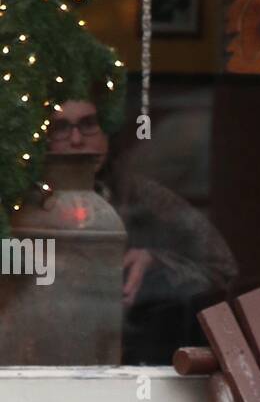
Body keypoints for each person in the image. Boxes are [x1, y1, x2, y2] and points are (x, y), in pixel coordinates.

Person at [47, 99, 238, 364]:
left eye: (89, 125)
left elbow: (222, 268)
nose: (76, 140)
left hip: (129, 368)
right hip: (35, 365)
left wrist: (156, 262)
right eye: (61, 128)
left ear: (108, 134)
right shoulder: (21, 200)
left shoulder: (140, 196)